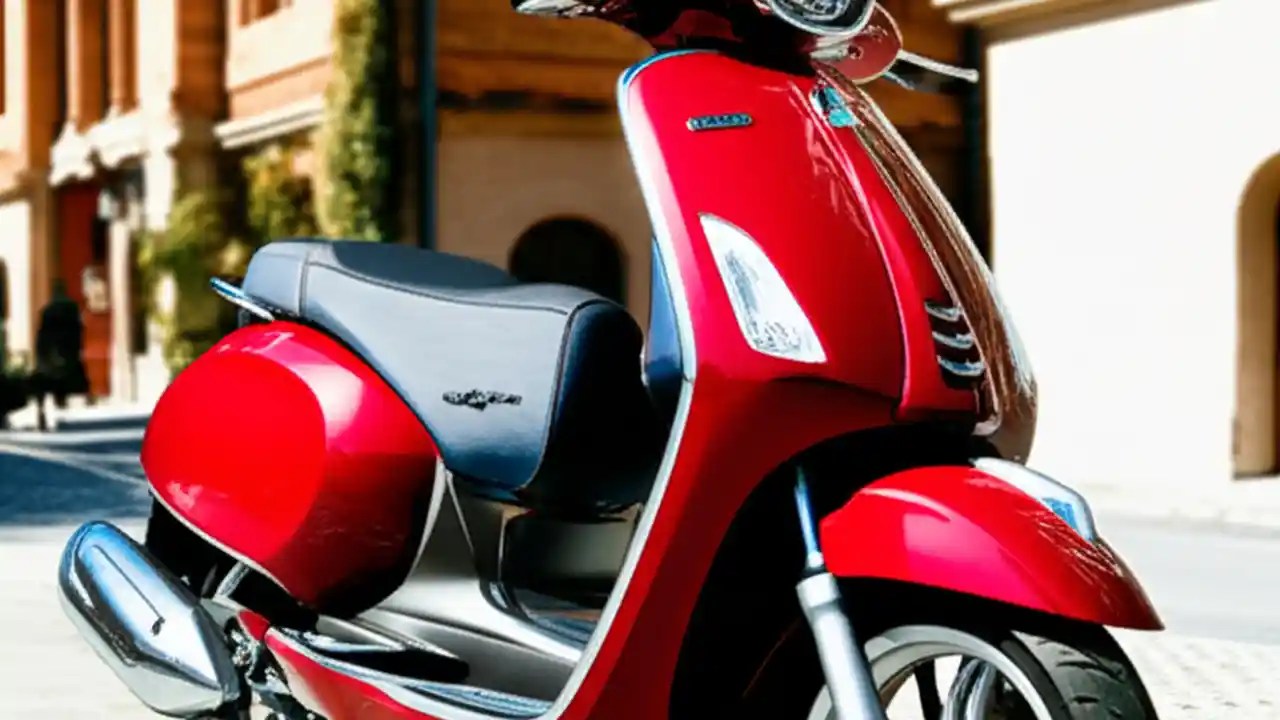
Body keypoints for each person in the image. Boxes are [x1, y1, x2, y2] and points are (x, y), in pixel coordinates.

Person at [33, 280, 89, 431]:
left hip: (50, 354)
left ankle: (42, 409)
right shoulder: (71, 308)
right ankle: (63, 399)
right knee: (70, 376)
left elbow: (41, 334)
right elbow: (78, 330)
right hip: (67, 352)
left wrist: (40, 355)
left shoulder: (48, 310)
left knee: (42, 382)